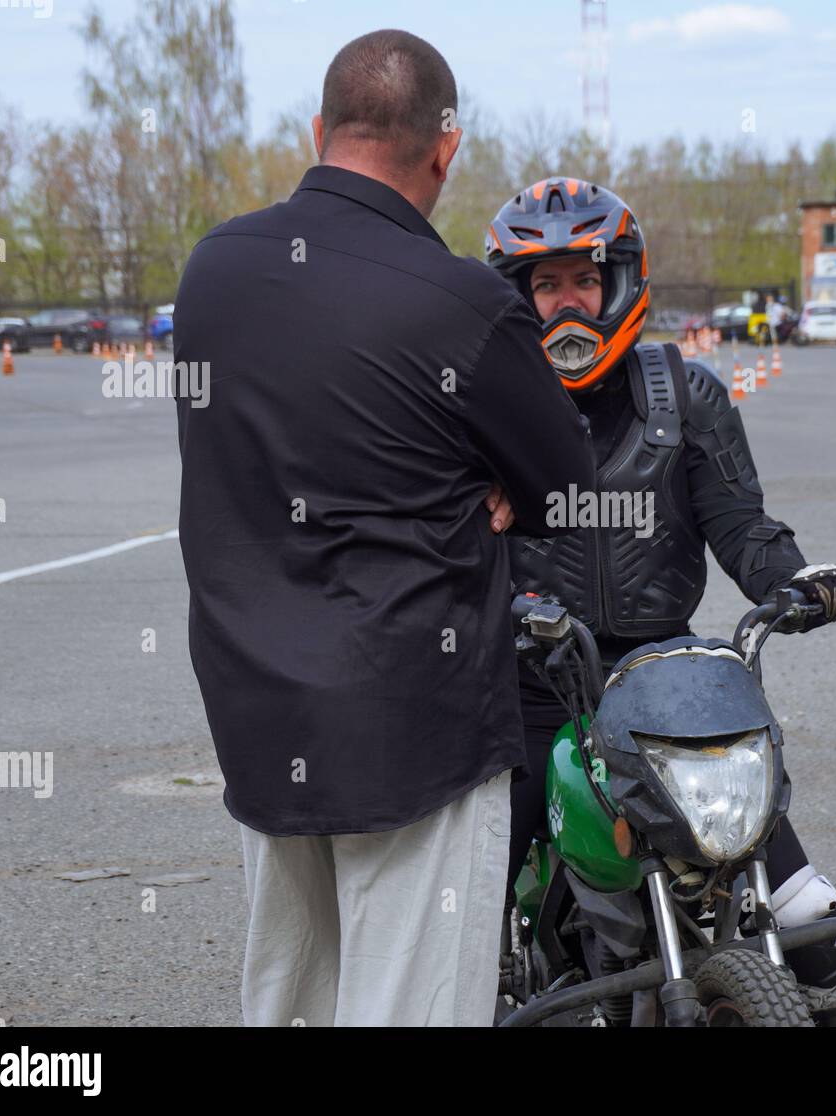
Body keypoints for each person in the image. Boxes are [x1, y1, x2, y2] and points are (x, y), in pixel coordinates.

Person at [174, 31, 593, 1027]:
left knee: (289, 1002)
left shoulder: (212, 272)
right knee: (407, 1006)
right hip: (414, 729)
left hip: (257, 713)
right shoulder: (465, 303)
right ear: (445, 151)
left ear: (318, 132)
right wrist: (494, 481)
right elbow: (565, 483)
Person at [485, 177, 836, 1024]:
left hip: (667, 684)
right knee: (465, 926)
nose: (568, 304)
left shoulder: (686, 398)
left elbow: (744, 527)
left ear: (621, 282)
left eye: (585, 278)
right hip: (532, 693)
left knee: (813, 931)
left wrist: (795, 582)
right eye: (545, 286)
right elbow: (454, 544)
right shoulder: (485, 408)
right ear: (518, 298)